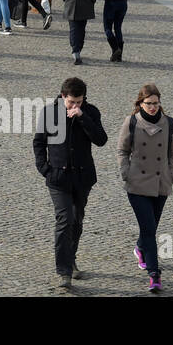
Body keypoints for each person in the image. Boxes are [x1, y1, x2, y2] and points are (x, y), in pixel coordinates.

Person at [32, 76, 108, 289]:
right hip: (58, 178)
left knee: (76, 221)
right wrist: (45, 169)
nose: (75, 105)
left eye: (79, 101)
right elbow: (39, 143)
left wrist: (83, 117)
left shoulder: (91, 112)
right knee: (64, 220)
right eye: (72, 102)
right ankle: (64, 270)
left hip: (83, 178)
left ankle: (71, 258)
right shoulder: (49, 112)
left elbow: (101, 140)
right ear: (63, 96)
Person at [117, 83, 173, 293]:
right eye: (149, 103)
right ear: (140, 104)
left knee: (150, 225)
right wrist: (126, 173)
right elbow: (122, 150)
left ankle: (140, 248)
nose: (153, 107)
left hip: (161, 183)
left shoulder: (169, 123)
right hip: (137, 184)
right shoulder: (132, 122)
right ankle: (154, 274)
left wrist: (172, 175)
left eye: (156, 103)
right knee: (149, 229)